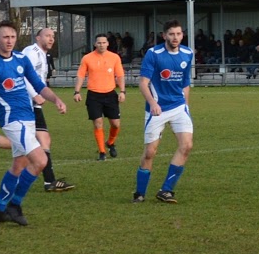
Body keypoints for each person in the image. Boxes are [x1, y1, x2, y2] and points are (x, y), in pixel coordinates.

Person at [0, 21, 67, 227]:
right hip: (12, 120)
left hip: (29, 118)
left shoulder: (21, 59)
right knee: (40, 161)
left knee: (18, 165)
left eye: (13, 37)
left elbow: (39, 86)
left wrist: (56, 99)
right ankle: (14, 205)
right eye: (5, 37)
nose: (9, 41)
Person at [135, 20, 195, 203]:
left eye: (178, 34)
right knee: (150, 152)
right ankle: (139, 193)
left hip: (178, 106)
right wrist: (152, 103)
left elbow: (185, 82)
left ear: (182, 35)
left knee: (186, 146)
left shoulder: (188, 53)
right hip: (157, 109)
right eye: (171, 34)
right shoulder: (154, 54)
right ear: (164, 36)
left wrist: (186, 105)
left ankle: (166, 190)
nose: (175, 37)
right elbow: (143, 83)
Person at [19, 26, 74, 193]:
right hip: (24, 103)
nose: (51, 39)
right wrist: (34, 95)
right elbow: (21, 74)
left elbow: (40, 82)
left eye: (53, 36)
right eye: (47, 35)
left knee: (42, 140)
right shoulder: (31, 52)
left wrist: (55, 99)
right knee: (22, 143)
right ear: (37, 37)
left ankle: (49, 181)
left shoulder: (44, 55)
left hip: (32, 104)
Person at [73, 32, 128, 161]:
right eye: (99, 43)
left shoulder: (114, 57)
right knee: (98, 123)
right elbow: (81, 75)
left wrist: (122, 91)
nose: (101, 45)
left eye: (104, 42)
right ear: (95, 44)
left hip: (110, 94)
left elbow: (120, 75)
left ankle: (110, 142)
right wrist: (77, 91)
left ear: (107, 44)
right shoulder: (87, 58)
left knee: (115, 124)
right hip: (93, 95)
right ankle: (102, 153)